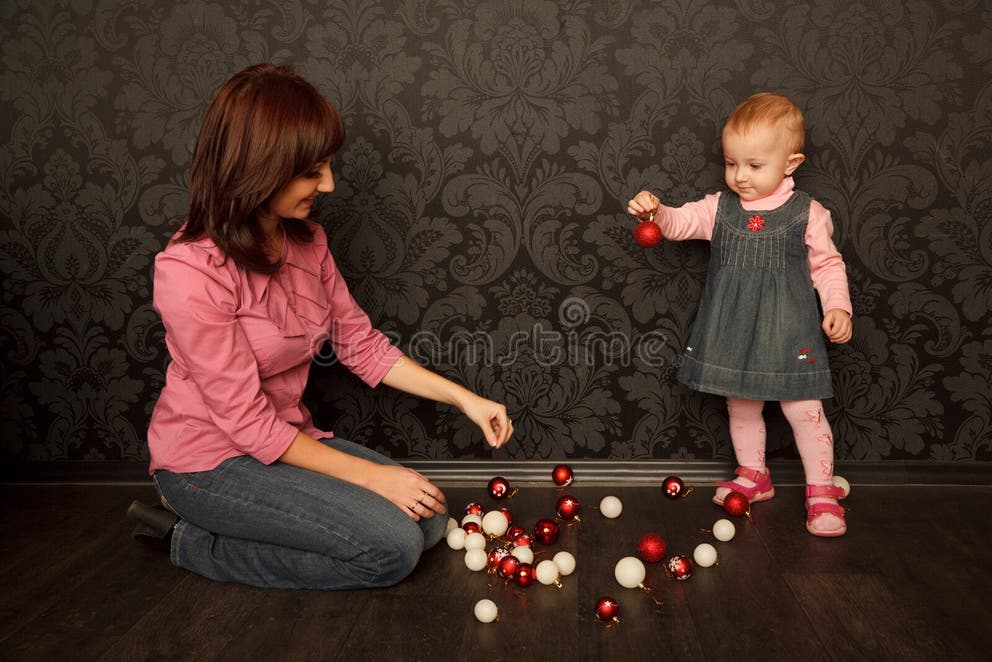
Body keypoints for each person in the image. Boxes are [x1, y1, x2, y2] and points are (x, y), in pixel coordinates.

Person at [127, 63, 513, 588]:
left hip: (286, 440)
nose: (329, 184)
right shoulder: (189, 272)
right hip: (207, 466)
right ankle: (185, 538)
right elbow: (245, 425)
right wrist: (377, 478)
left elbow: (363, 345)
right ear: (258, 167)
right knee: (392, 552)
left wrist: (466, 399)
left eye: (326, 167)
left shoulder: (308, 243)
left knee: (430, 521)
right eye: (312, 171)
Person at [627, 92, 853, 537]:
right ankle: (754, 474)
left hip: (789, 331)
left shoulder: (808, 213)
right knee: (742, 405)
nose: (740, 176)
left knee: (803, 409)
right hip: (733, 327)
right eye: (732, 164)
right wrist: (655, 210)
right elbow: (679, 222)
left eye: (754, 165)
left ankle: (822, 489)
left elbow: (828, 265)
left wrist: (838, 305)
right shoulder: (719, 208)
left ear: (791, 163)